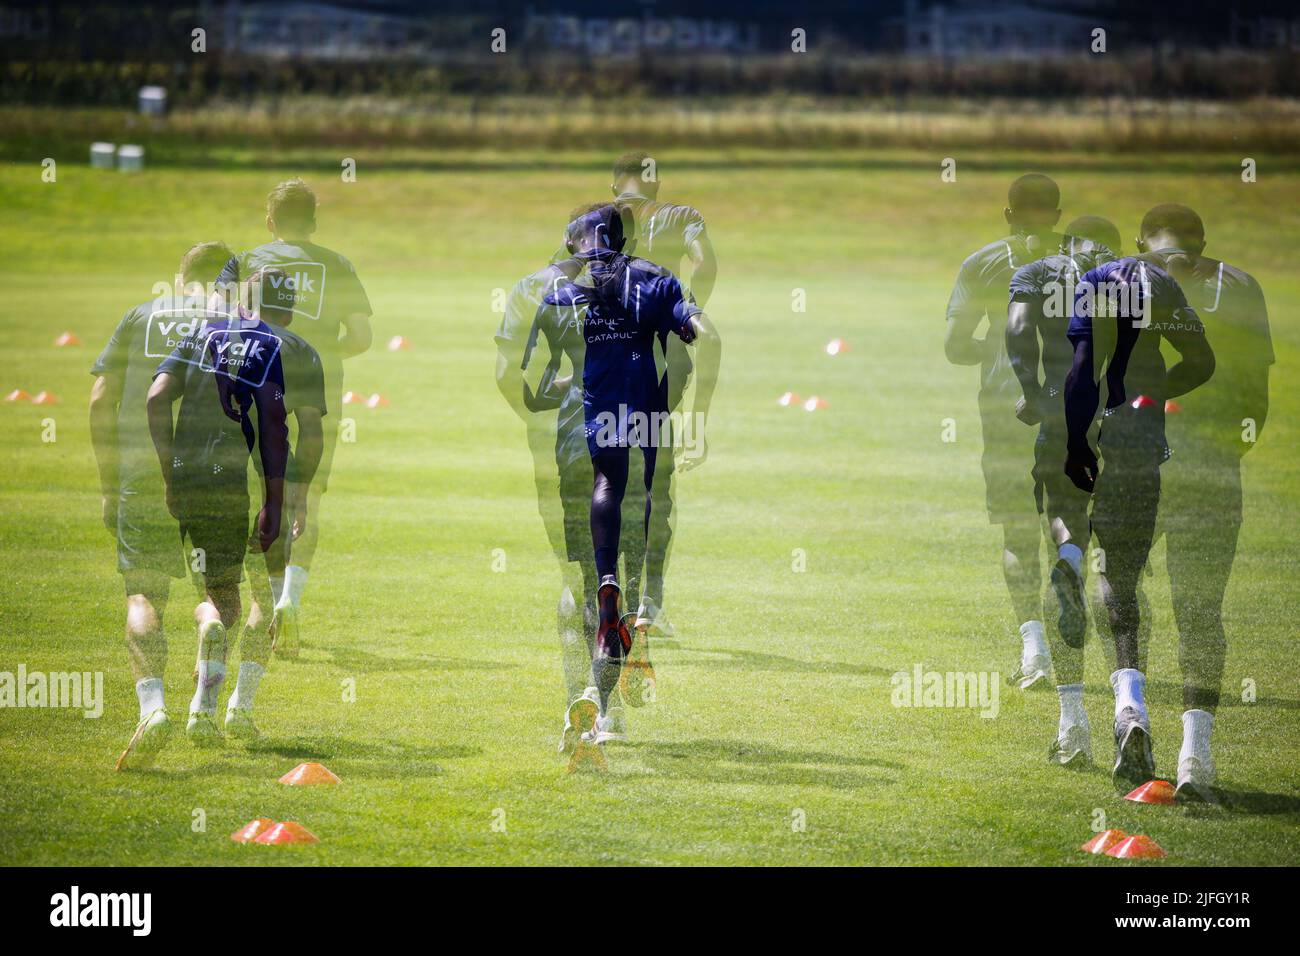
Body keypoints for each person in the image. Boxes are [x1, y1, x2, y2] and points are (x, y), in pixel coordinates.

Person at [535, 203, 719, 764]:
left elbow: (531, 378)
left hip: (577, 444)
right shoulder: (657, 286)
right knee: (622, 575)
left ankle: (592, 692)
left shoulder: (560, 287)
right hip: (638, 438)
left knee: (582, 580)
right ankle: (602, 703)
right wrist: (699, 419)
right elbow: (702, 339)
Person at [144, 268, 326, 749]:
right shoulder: (300, 350)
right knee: (264, 601)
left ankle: (201, 704)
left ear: (247, 295)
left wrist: (171, 471)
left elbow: (157, 395)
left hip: (203, 476)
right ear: (292, 306)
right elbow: (309, 432)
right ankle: (240, 709)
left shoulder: (207, 332)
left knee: (220, 594)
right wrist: (295, 497)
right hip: (266, 481)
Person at [1062, 251, 1215, 788]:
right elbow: (1202, 362)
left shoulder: (1093, 282)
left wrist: (1077, 440)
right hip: (1143, 439)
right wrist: (1148, 400)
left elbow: (1083, 370)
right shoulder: (1164, 285)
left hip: (1100, 437)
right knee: (1138, 576)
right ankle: (1191, 751)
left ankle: (1130, 707)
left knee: (1109, 575)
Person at [1136, 204, 1273, 800]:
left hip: (1136, 464)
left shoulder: (1120, 279)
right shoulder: (1241, 285)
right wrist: (1228, 457)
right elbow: (1255, 394)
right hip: (1213, 471)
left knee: (1117, 588)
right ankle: (1198, 755)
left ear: (1142, 240)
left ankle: (1129, 713)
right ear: (1204, 238)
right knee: (1200, 609)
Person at [946, 173, 1099, 689]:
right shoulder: (1085, 261)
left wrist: (990, 351)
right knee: (1067, 506)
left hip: (1006, 404)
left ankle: (1033, 651)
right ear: (1058, 215)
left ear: (1007, 213)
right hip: (1075, 403)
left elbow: (954, 345)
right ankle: (1071, 561)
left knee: (1015, 525)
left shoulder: (985, 262)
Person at [91, 242, 233, 769]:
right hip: (213, 473)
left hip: (143, 472)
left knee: (144, 593)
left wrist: (110, 482)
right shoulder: (237, 323)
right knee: (217, 591)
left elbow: (102, 397)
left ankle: (152, 709)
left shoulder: (140, 314)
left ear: (180, 275)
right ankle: (206, 698)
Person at [215, 179, 371, 655]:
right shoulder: (337, 264)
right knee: (308, 498)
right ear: (314, 222)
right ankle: (289, 602)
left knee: (258, 494)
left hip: (254, 385)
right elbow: (362, 336)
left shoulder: (243, 261)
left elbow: (216, 322)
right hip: (315, 392)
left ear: (270, 221)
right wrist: (320, 356)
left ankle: (256, 605)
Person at [1005, 221, 1116, 765]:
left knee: (1060, 503)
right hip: (1121, 418)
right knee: (1121, 557)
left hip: (1057, 404)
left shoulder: (1036, 273)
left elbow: (1018, 328)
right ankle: (1129, 707)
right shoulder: (1130, 279)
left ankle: (1068, 557)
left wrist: (1030, 391)